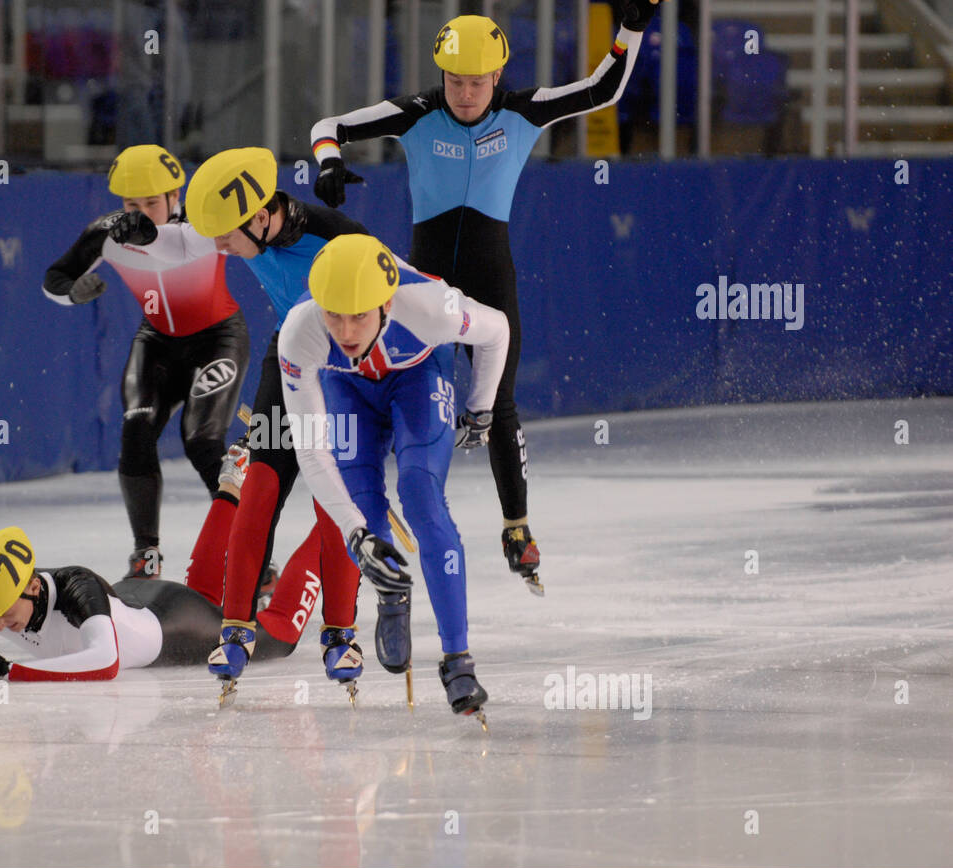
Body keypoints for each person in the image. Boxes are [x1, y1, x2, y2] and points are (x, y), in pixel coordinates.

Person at [309, 0, 669, 592]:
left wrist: (630, 28)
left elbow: (602, 91)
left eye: (477, 82)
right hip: (422, 282)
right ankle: (395, 508)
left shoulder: (523, 111)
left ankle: (516, 528)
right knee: (406, 386)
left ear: (497, 77)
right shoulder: (419, 112)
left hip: (490, 274)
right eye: (455, 81)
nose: (466, 93)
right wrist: (327, 164)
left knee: (498, 403)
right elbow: (331, 128)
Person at [277, 233, 510, 723]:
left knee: (420, 495)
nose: (345, 330)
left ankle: (457, 660)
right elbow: (311, 448)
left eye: (359, 314)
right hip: (348, 387)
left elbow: (497, 330)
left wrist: (481, 410)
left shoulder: (433, 309)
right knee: (360, 505)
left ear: (386, 302)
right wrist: (354, 533)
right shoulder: (299, 332)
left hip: (418, 376)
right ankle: (391, 591)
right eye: (333, 314)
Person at [183, 147, 369, 701]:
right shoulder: (246, 227)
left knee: (330, 498)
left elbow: (397, 297)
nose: (219, 247)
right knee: (261, 486)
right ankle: (236, 630)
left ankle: (340, 635)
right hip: (288, 357)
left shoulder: (338, 238)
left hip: (342, 372)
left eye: (226, 235)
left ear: (262, 216)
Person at [0, 445, 309, 682]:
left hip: (175, 623)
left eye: (2, 615)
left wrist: (5, 670)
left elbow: (103, 662)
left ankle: (334, 532)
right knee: (201, 589)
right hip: (134, 602)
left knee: (279, 633)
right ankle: (230, 487)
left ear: (34, 586)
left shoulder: (76, 587)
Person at [43, 144, 249, 580]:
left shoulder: (202, 223)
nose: (140, 212)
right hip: (157, 342)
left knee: (200, 440)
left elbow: (177, 246)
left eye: (152, 202)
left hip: (218, 339)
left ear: (178, 195)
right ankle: (145, 554)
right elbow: (53, 277)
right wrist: (71, 292)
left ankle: (251, 549)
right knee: (136, 431)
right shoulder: (106, 233)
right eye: (131, 204)